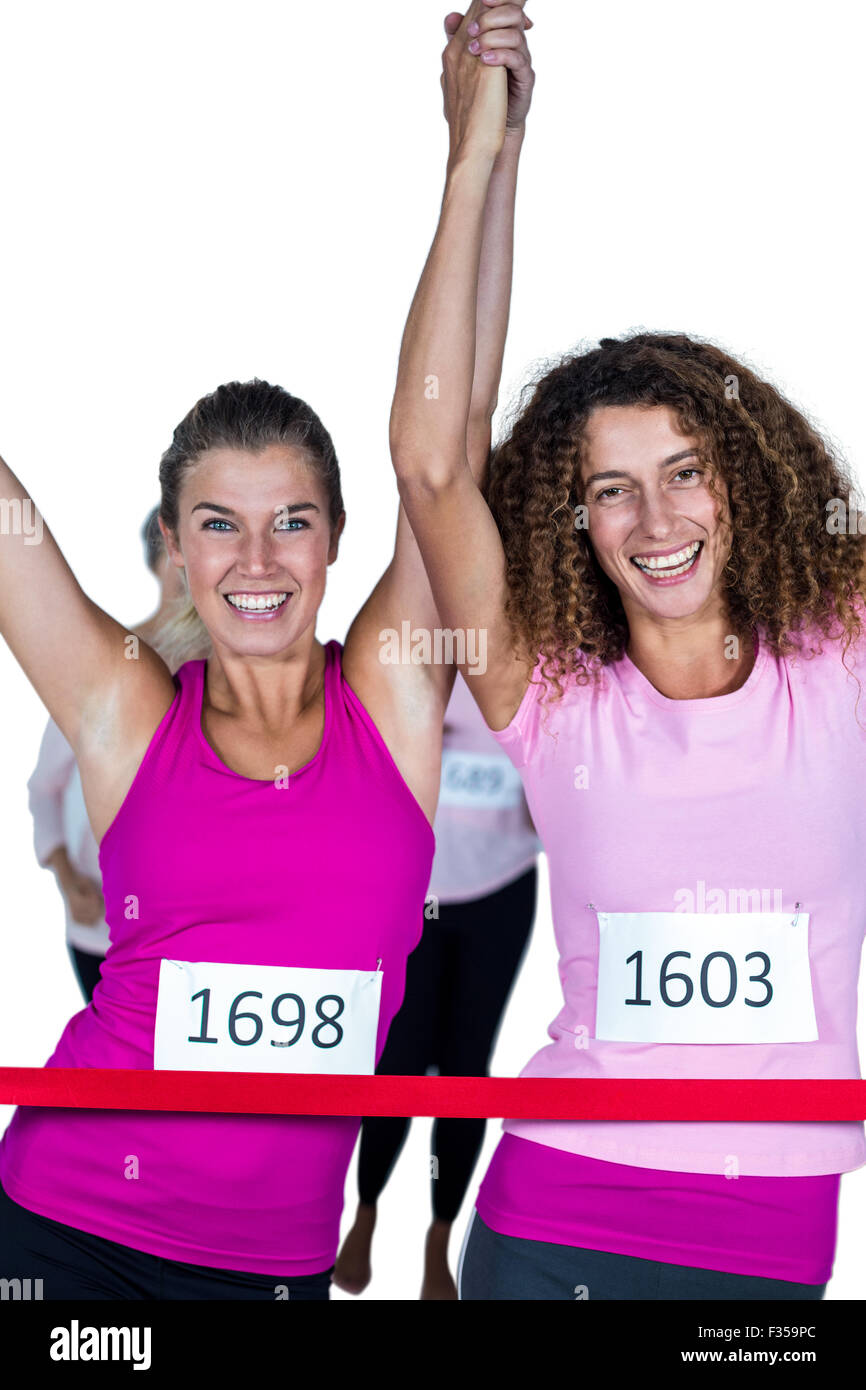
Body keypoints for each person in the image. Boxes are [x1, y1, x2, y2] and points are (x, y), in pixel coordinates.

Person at [0, 2, 537, 1300]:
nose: (257, 559)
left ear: (339, 538)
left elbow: (445, 444)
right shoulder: (127, 710)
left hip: (279, 1269)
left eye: (292, 520)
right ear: (175, 551)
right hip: (69, 1236)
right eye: (219, 527)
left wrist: (480, 153)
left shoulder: (394, 698)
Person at [387, 3, 866, 1301]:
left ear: (743, 478)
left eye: (683, 472)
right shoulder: (548, 694)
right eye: (610, 489)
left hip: (765, 1239)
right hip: (555, 1212)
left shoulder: (839, 653)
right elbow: (435, 457)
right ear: (569, 515)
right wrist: (479, 155)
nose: (654, 520)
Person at [335, 671, 540, 1300]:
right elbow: (355, 776)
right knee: (395, 1064)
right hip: (409, 896)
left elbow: (558, 808)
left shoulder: (530, 674)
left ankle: (439, 1236)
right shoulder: (404, 669)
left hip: (498, 892)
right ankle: (365, 1210)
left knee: (463, 1071)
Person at [26, 507, 196, 1003]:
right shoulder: (101, 662)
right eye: (176, 553)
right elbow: (45, 786)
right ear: (157, 555)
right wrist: (66, 877)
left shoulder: (237, 675)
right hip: (99, 928)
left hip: (190, 940)